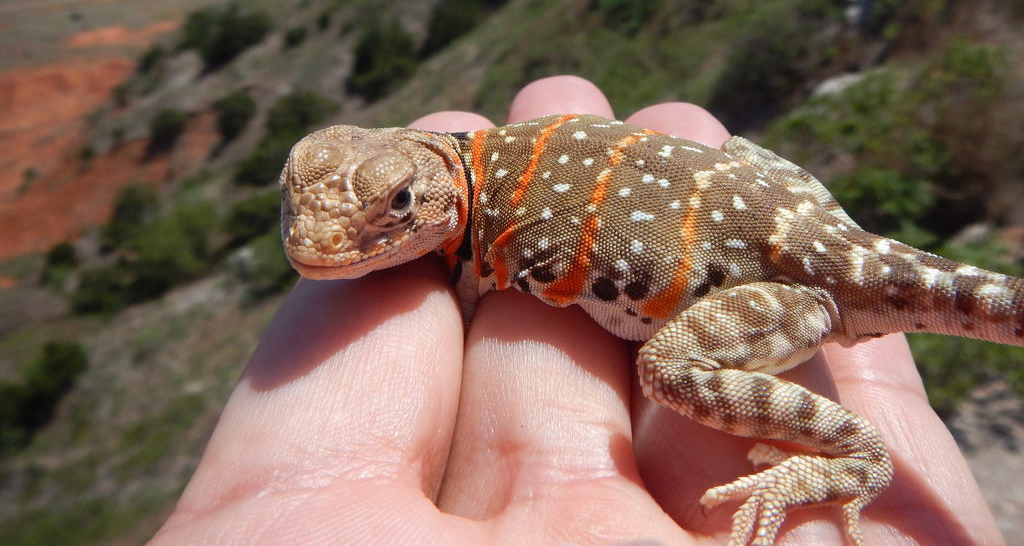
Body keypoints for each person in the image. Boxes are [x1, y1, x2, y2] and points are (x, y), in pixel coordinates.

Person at [148, 75, 1003, 545]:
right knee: (729, 157)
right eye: (301, 203)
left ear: (441, 191)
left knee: (668, 370)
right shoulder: (478, 176)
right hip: (794, 212)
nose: (322, 242)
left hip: (795, 280)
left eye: (396, 209)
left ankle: (854, 453)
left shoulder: (480, 219)